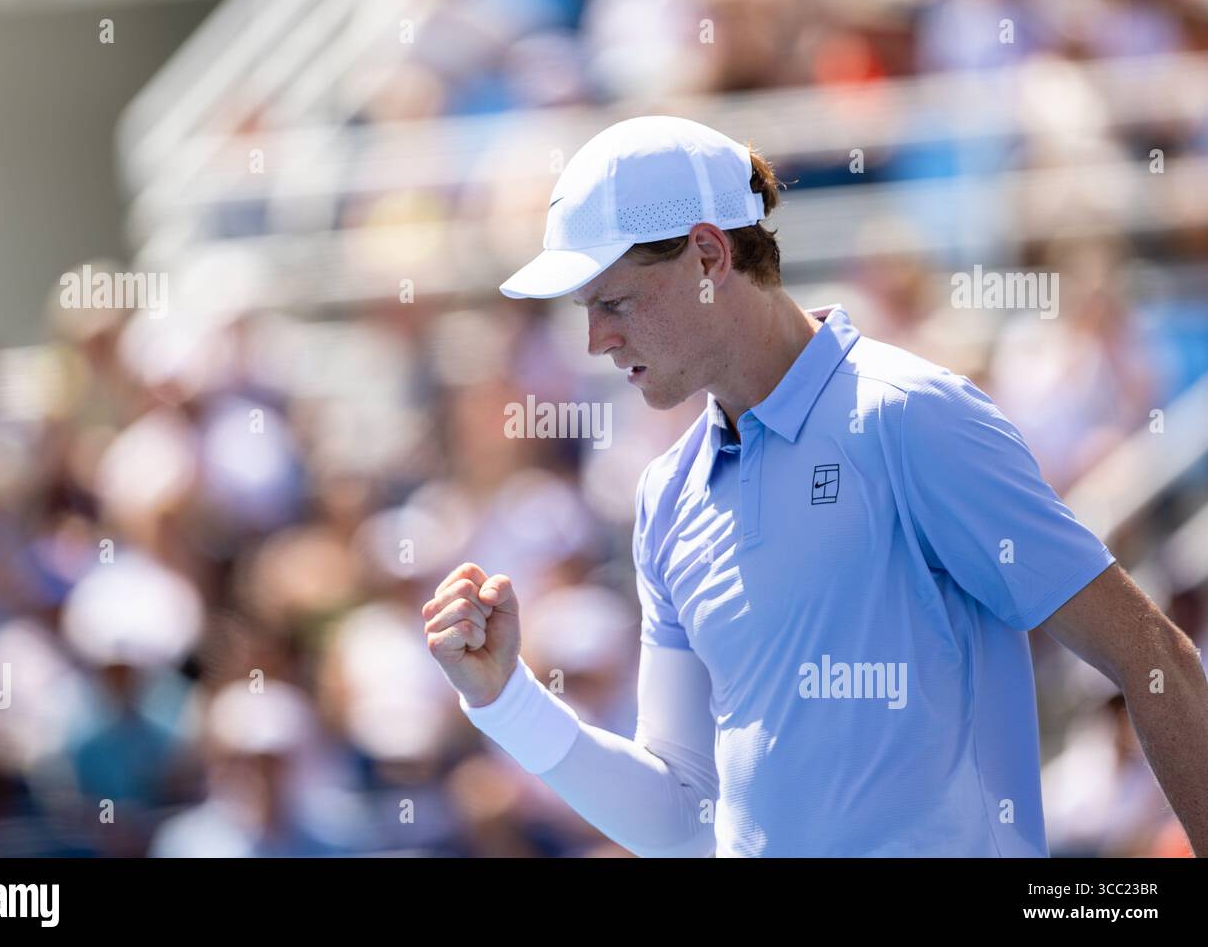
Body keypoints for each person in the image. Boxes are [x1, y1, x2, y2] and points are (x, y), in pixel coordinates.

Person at [422, 116, 1208, 857]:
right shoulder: (666, 495)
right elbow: (684, 816)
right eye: (587, 311)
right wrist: (506, 701)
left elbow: (1152, 658)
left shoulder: (912, 417)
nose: (597, 340)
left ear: (707, 257)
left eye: (614, 302)